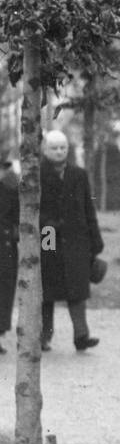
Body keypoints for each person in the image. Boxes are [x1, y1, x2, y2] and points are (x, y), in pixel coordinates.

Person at [39, 130, 103, 352]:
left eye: (63, 147)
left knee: (77, 290)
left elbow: (88, 208)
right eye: (54, 148)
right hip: (49, 238)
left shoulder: (78, 175)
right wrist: (48, 231)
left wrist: (96, 241)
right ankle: (44, 336)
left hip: (76, 240)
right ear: (45, 150)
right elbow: (33, 210)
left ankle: (81, 335)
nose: (59, 152)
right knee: (46, 290)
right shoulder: (37, 175)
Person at [0, 149, 17, 355]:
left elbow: (18, 219)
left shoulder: (11, 190)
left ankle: (1, 334)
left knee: (4, 290)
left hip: (5, 247)